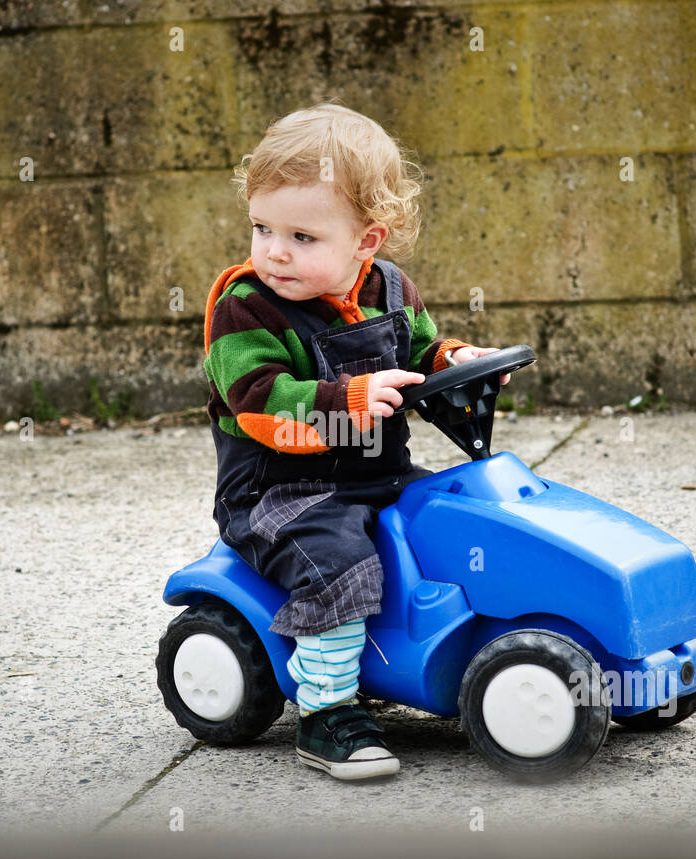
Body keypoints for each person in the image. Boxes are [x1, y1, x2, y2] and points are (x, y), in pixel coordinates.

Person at [202, 102, 511, 781]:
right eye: (262, 227)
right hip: (280, 489)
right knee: (340, 563)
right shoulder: (245, 307)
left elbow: (424, 355)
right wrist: (345, 399)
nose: (274, 250)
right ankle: (327, 712)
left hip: (377, 472)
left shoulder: (391, 290)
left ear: (366, 241)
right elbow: (258, 405)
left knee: (463, 517)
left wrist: (455, 361)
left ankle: (454, 646)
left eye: (302, 236)